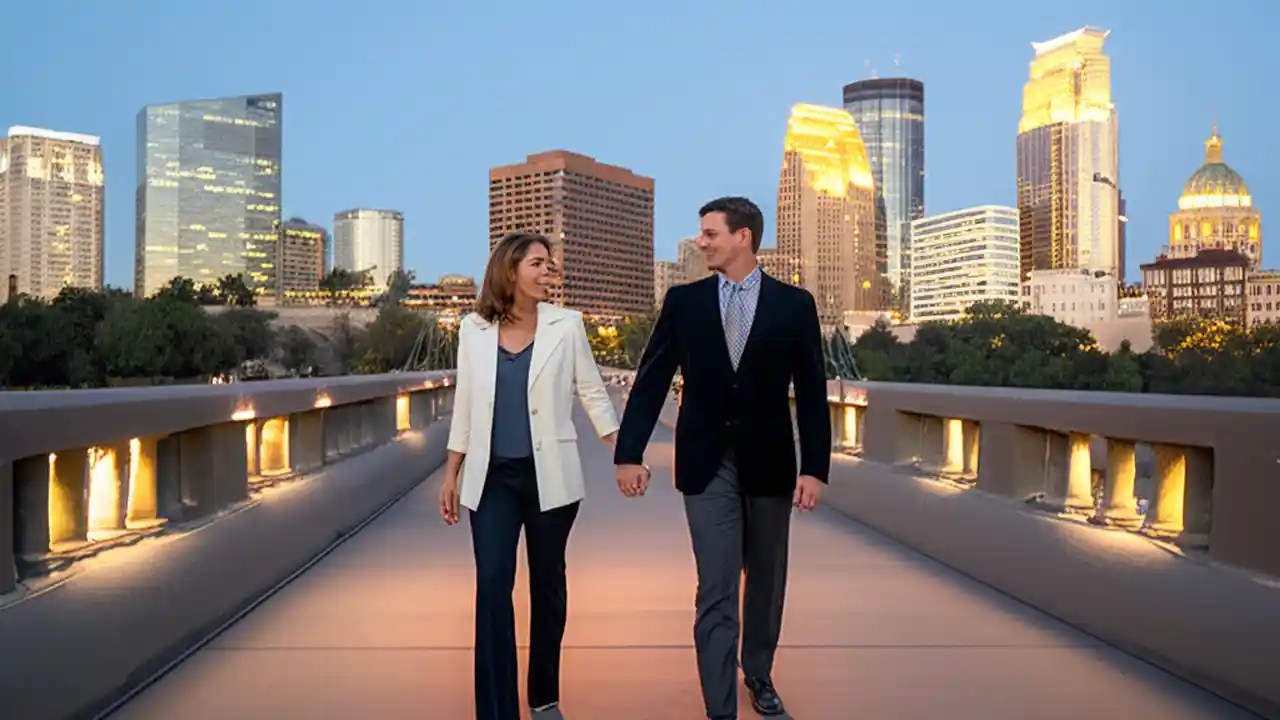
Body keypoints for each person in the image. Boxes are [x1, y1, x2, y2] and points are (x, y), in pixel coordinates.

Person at [613, 197, 830, 719]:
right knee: (715, 583)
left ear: (743, 238)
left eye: (710, 233)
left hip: (771, 463)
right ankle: (720, 707)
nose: (701, 241)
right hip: (706, 463)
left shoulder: (794, 305)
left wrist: (814, 468)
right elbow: (651, 381)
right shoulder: (684, 303)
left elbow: (814, 392)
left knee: (766, 579)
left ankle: (758, 672)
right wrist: (629, 453)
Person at [439, 232, 620, 720]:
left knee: (548, 584)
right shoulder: (472, 330)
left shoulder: (568, 325)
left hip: (550, 478)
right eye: (538, 263)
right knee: (493, 583)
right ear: (510, 269)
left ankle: (544, 696)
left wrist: (621, 450)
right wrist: (451, 473)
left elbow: (592, 392)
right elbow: (466, 409)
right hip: (490, 479)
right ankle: (496, 709)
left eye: (549, 264)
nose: (548, 272)